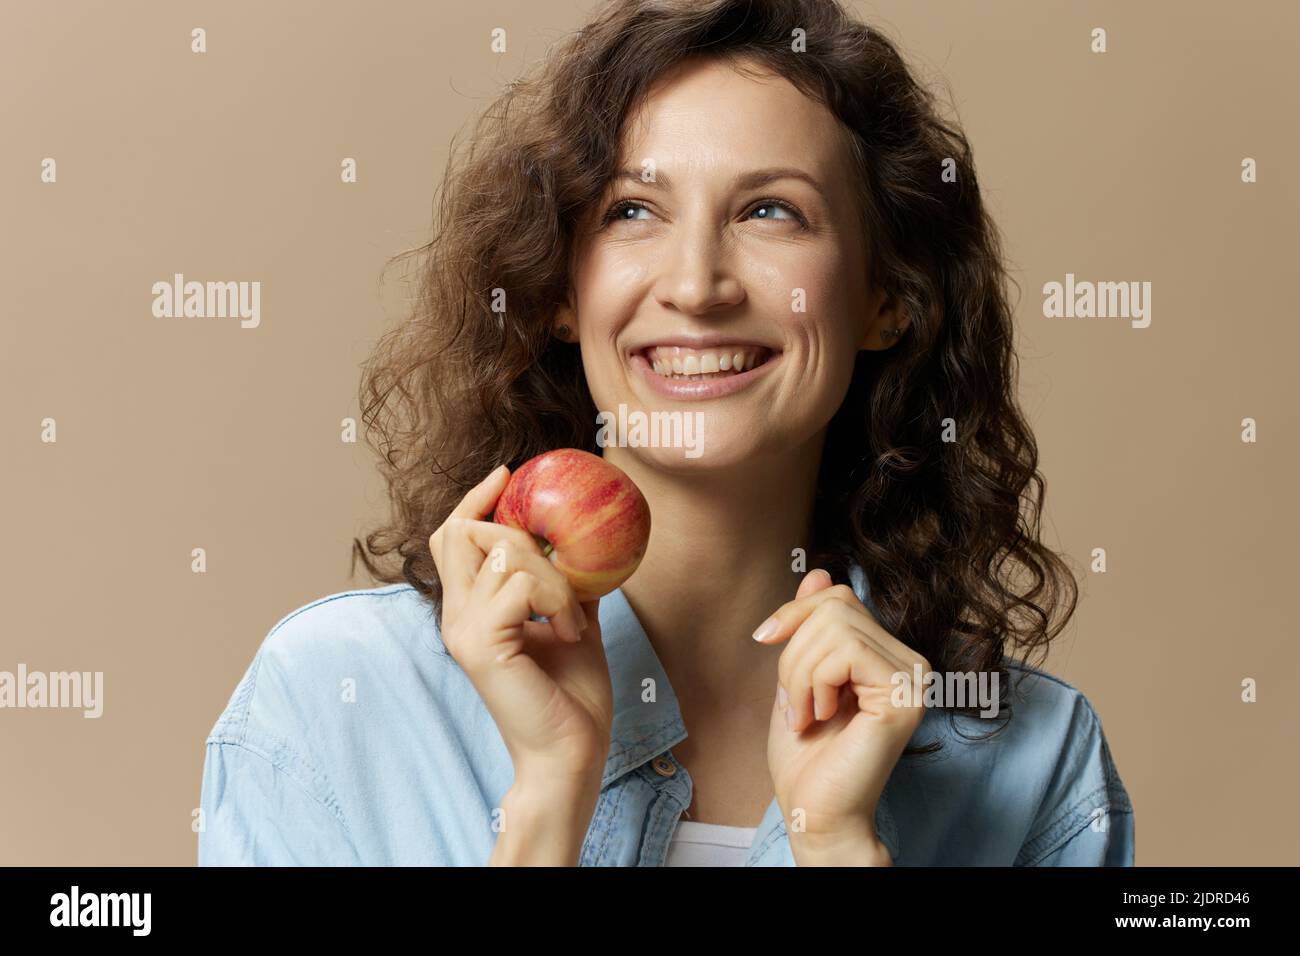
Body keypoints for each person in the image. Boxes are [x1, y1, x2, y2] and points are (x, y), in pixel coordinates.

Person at [198, 0, 1134, 866]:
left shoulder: (1034, 766)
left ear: (887, 298)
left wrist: (844, 845)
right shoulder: (332, 708)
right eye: (633, 211)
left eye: (771, 211)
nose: (697, 286)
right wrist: (544, 807)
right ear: (562, 292)